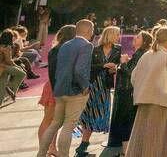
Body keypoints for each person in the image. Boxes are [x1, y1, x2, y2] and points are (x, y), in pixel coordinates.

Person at [37, 19, 95, 157]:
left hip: (59, 90)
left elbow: (58, 70)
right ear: (88, 30)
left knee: (54, 124)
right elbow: (80, 71)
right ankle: (63, 154)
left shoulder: (63, 46)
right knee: (69, 126)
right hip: (73, 91)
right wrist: (85, 86)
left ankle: (41, 153)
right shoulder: (86, 45)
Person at [126, 26, 167, 157]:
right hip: (162, 107)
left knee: (140, 143)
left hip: (143, 105)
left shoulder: (146, 56)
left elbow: (134, 78)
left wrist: (144, 89)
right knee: (157, 144)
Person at [74, 26, 121, 156]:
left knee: (100, 114)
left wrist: (114, 69)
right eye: (117, 34)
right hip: (92, 84)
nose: (119, 37)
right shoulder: (95, 49)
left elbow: (117, 66)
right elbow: (87, 67)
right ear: (110, 35)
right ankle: (83, 145)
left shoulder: (118, 49)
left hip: (105, 86)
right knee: (88, 114)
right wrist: (103, 65)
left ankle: (83, 144)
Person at [108, 30, 152, 155]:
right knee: (128, 123)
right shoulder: (141, 53)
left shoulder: (140, 54)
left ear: (144, 42)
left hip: (128, 93)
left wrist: (123, 63)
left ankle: (125, 153)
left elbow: (132, 74)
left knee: (126, 123)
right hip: (130, 92)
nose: (134, 38)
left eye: (138, 37)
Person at [37, 25, 76, 157]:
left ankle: (51, 148)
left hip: (55, 86)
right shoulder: (60, 50)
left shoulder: (59, 49)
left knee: (55, 122)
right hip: (56, 87)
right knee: (49, 120)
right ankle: (45, 149)